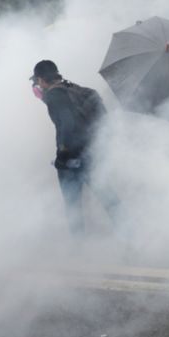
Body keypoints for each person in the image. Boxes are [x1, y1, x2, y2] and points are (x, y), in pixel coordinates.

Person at [30, 59, 121, 236]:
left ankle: (80, 250)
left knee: (73, 206)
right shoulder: (76, 89)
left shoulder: (54, 96)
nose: (36, 86)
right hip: (92, 153)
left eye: (36, 82)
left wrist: (63, 153)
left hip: (72, 159)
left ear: (41, 80)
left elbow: (68, 124)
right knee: (109, 198)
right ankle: (132, 237)